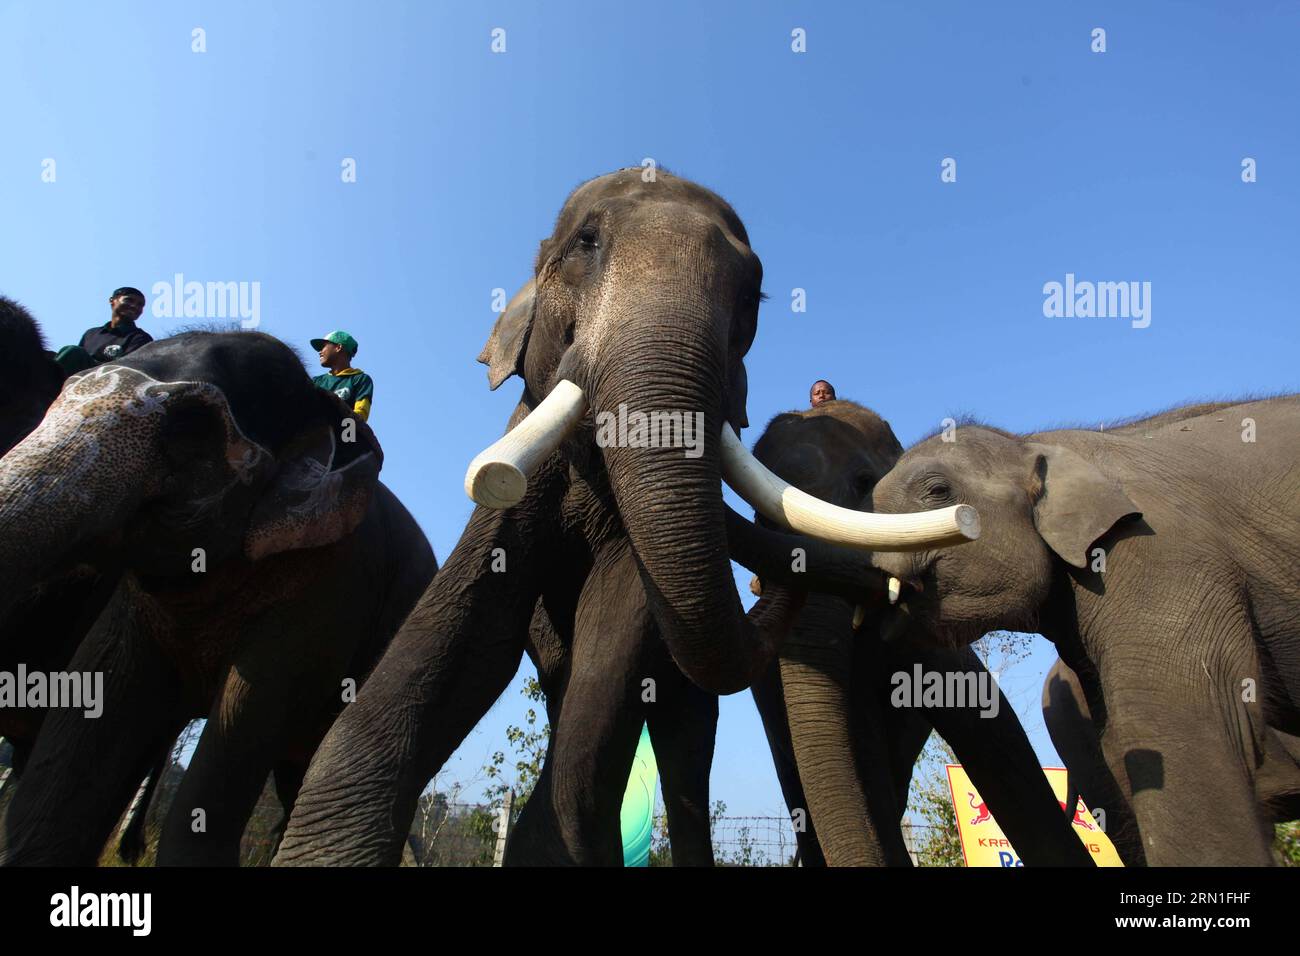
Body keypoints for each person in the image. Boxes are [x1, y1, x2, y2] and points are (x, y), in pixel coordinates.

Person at [55, 287, 154, 374]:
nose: (134, 306)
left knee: (73, 351)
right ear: (112, 300)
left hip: (107, 382)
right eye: (129, 300)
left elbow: (128, 370)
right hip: (76, 380)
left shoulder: (141, 338)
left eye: (140, 305)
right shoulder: (91, 334)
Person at [311, 330, 374, 422]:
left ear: (338, 347)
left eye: (323, 346)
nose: (320, 352)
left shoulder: (360, 379)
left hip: (347, 431)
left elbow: (360, 415)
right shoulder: (316, 381)